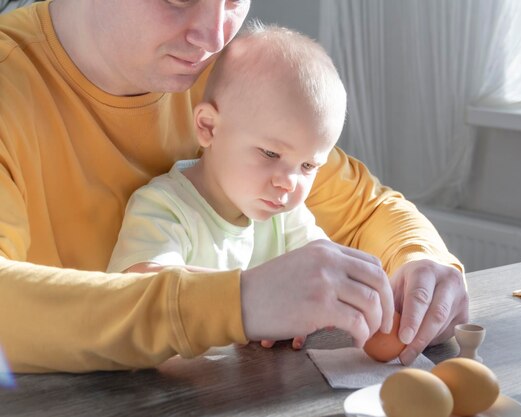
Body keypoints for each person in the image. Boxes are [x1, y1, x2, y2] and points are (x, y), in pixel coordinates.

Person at [0, 0, 468, 373]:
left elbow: (366, 209)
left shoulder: (216, 70)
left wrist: (420, 259)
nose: (215, 35)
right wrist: (240, 302)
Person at [107, 23, 346, 350]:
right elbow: (140, 290)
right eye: (270, 153)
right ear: (208, 127)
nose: (288, 182)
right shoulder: (166, 206)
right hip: (174, 393)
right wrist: (247, 299)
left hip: (252, 388)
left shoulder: (286, 216)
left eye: (308, 166)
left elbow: (328, 270)